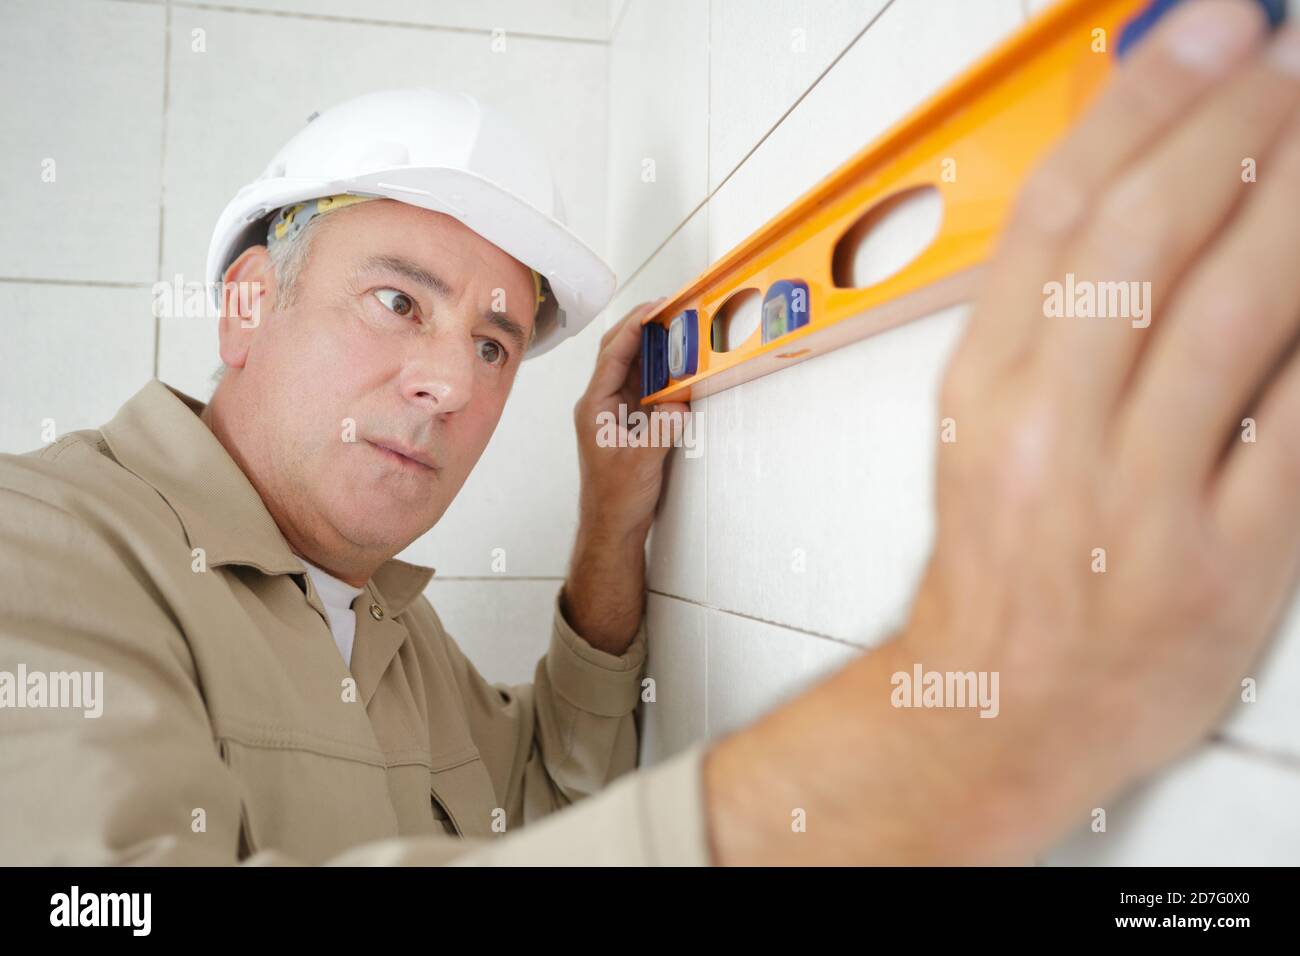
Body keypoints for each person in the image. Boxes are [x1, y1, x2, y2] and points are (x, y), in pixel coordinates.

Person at [1, 0, 1297, 865]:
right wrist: (963, 726)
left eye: (496, 340)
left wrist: (611, 521)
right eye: (400, 300)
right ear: (245, 307)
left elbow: (557, 799)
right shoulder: (44, 552)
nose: (452, 383)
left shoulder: (391, 632)